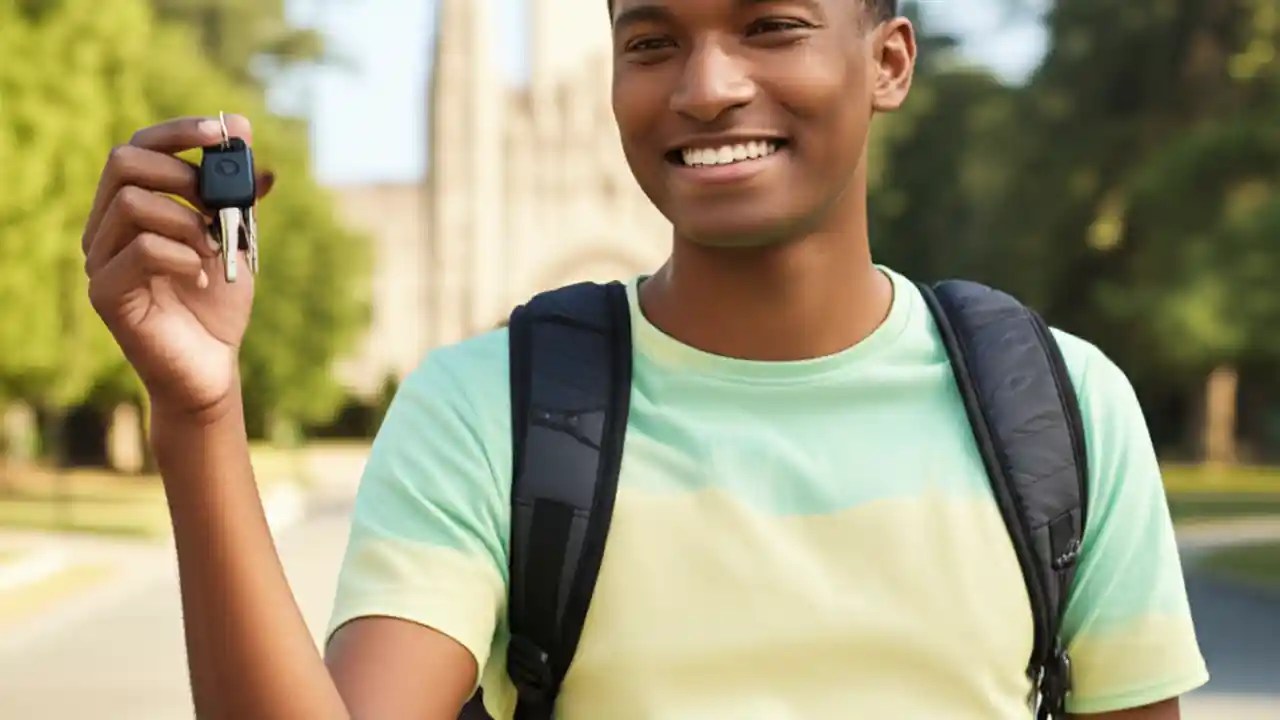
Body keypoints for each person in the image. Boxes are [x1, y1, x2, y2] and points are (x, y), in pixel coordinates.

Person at [83, 0, 1209, 718]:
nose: (705, 84)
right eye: (650, 40)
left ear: (888, 60)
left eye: (770, 24)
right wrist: (198, 415)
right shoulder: (486, 408)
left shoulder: (1056, 408)